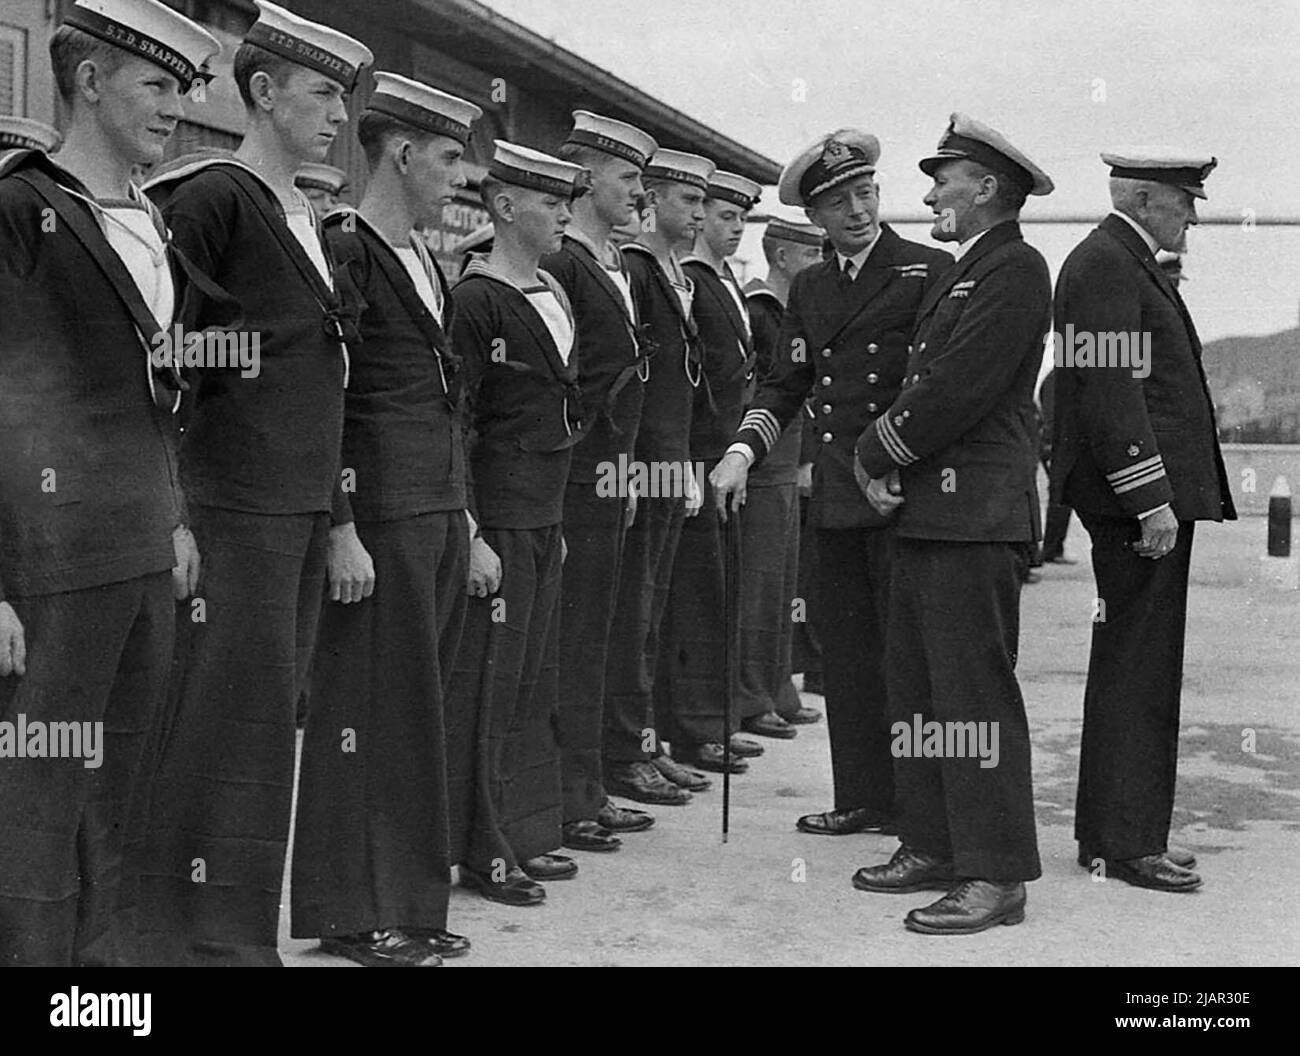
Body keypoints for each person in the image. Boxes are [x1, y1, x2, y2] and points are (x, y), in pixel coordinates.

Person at [136, 0, 373, 966]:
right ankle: (186, 942)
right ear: (264, 93)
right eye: (321, 95)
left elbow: (324, 390)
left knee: (267, 733)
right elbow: (165, 364)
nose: (337, 118)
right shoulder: (214, 200)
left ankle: (233, 937)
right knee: (216, 733)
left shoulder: (305, 218)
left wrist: (337, 517)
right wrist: (177, 515)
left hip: (294, 512)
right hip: (230, 512)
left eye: (345, 101)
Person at [0, 0, 216, 966]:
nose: (174, 109)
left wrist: (172, 517)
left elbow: (156, 398)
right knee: (35, 805)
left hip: (138, 552)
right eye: (156, 86)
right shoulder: (19, 209)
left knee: (116, 789)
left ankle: (96, 984)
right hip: (47, 564)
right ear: (88, 83)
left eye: (180, 89)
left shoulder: (149, 221)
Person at [289, 73, 484, 967]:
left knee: (415, 719)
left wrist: (469, 523)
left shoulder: (427, 259)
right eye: (449, 156)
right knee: (361, 714)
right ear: (401, 153)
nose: (463, 174)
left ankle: (406, 899)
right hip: (381, 522)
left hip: (437, 514)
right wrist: (340, 523)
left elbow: (449, 404)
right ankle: (349, 909)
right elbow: (323, 394)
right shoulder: (348, 250)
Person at [711, 129, 950, 835]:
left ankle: (918, 811)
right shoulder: (811, 289)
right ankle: (863, 797)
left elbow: (937, 383)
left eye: (865, 192)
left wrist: (898, 461)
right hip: (839, 498)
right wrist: (741, 453)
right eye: (839, 201)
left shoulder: (925, 269)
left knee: (907, 659)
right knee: (845, 655)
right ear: (814, 217)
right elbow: (785, 384)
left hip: (900, 489)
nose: (857, 210)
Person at [848, 112, 1052, 934]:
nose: (932, 192)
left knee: (974, 697)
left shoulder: (1017, 269)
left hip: (976, 519)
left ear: (988, 188)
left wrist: (875, 450)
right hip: (934, 517)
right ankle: (931, 841)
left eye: (946, 179)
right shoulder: (968, 270)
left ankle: (996, 873)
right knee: (920, 692)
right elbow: (920, 375)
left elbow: (956, 386)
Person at [1051, 149, 1235, 892]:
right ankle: (1126, 844)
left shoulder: (1124, 258)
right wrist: (1148, 497)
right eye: (1184, 200)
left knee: (1137, 665)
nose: (1191, 215)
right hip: (1138, 505)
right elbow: (1109, 391)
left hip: (1145, 498)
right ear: (1144, 197)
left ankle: (1114, 834)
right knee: (1138, 670)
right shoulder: (1106, 263)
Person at [446, 140, 590, 905]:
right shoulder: (475, 301)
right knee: (489, 688)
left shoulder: (552, 292)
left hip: (541, 517)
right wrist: (471, 532)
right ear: (504, 208)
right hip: (497, 520)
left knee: (531, 681)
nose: (567, 212)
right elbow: (457, 422)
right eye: (550, 201)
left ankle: (524, 829)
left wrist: (554, 520)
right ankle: (480, 846)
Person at [545, 111, 660, 852]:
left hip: (609, 485)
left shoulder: (608, 266)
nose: (638, 194)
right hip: (574, 484)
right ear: (585, 179)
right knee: (567, 643)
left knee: (596, 638)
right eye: (627, 178)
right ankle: (562, 796)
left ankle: (587, 787)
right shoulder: (564, 266)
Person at [602, 148, 716, 805]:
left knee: (654, 615)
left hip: (675, 462)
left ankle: (646, 742)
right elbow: (636, 382)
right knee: (633, 612)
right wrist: (644, 467)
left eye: (702, 203)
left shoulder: (675, 273)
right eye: (686, 201)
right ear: (652, 204)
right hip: (646, 467)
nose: (697, 214)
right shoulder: (641, 269)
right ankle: (624, 750)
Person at [663, 169, 764, 774]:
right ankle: (693, 727)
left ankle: (712, 720)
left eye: (732, 217)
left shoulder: (721, 283)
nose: (725, 226)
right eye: (721, 214)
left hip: (725, 457)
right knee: (695, 599)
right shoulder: (695, 282)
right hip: (699, 456)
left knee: (719, 593)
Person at [735, 218, 827, 737]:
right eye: (812, 254)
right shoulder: (761, 312)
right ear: (785, 257)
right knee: (761, 586)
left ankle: (777, 686)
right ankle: (752, 694)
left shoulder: (796, 314)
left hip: (790, 460)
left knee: (785, 584)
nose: (821, 264)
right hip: (769, 462)